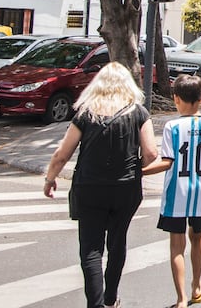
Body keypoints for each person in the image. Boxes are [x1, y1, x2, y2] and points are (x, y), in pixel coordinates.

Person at [43, 62, 159, 308]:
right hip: (125, 188)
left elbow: (62, 153)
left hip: (90, 187)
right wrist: (132, 168)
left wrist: (50, 178)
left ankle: (94, 304)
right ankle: (110, 298)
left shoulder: (86, 113)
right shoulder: (138, 112)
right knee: (117, 243)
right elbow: (150, 153)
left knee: (91, 249)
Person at [143, 75, 201, 308]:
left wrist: (139, 171)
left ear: (176, 99)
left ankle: (180, 299)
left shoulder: (172, 127)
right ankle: (197, 286)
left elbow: (167, 162)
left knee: (176, 245)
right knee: (197, 237)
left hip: (175, 195)